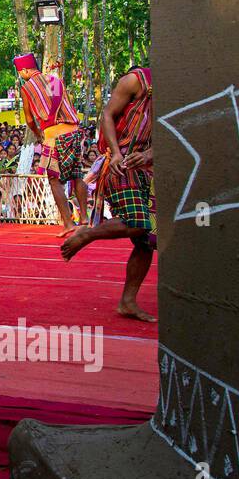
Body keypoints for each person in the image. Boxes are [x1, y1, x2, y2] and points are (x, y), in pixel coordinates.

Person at [61, 66, 157, 322]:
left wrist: (149, 154)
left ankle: (127, 301)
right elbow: (107, 114)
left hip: (148, 166)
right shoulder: (135, 81)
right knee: (138, 224)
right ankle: (87, 232)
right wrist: (115, 152)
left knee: (146, 241)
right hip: (119, 163)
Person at [14, 53, 87, 235]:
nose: (20, 75)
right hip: (74, 132)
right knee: (77, 175)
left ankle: (69, 223)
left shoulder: (27, 88)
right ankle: (85, 218)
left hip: (54, 135)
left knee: (54, 180)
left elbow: (30, 119)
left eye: (20, 72)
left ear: (24, 70)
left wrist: (38, 133)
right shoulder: (55, 81)